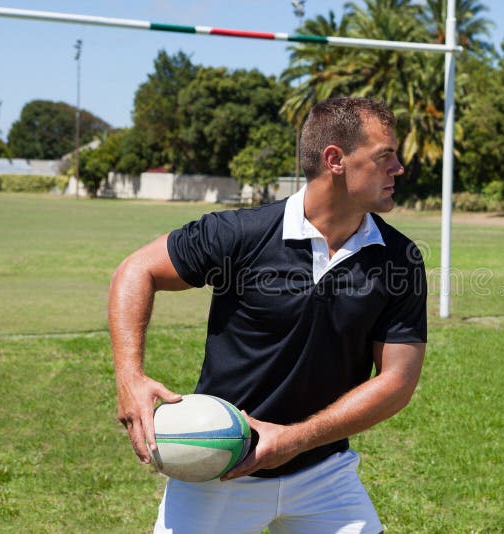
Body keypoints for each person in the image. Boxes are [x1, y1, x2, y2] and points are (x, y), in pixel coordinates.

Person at [109, 97, 427, 533]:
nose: (398, 169)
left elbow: (397, 381)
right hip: (218, 464)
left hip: (323, 471)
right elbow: (135, 271)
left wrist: (294, 440)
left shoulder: (399, 259)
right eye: (383, 156)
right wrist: (130, 378)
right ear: (335, 160)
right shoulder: (243, 234)